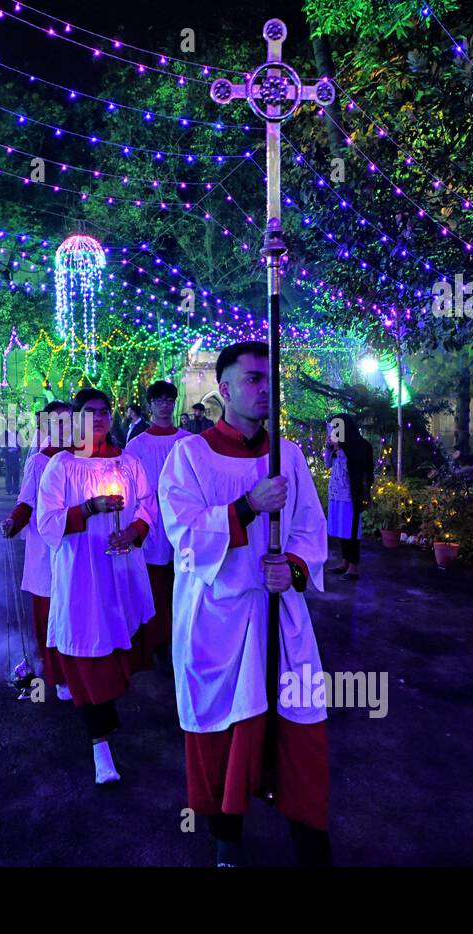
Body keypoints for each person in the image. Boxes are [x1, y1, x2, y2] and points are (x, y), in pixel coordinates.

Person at [159, 341, 331, 868]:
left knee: (296, 727)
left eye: (269, 380)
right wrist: (247, 506)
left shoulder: (289, 455)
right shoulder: (189, 455)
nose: (264, 390)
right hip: (218, 620)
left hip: (280, 614)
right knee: (226, 736)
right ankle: (226, 842)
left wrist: (295, 566)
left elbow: (308, 530)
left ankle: (311, 845)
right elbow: (184, 539)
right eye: (253, 379)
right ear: (225, 389)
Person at [36, 388, 156, 786]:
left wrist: (136, 531)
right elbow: (47, 522)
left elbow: (149, 503)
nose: (99, 418)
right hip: (81, 575)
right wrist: (89, 508)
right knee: (88, 653)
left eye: (105, 412)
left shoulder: (128, 461)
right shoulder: (61, 466)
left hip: (120, 572)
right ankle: (99, 745)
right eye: (90, 413)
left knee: (116, 649)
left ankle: (105, 721)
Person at [1, 400, 73, 696]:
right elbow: (26, 501)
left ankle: (82, 669)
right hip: (46, 546)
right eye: (55, 421)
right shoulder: (38, 461)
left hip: (78, 544)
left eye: (68, 421)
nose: (62, 426)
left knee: (77, 610)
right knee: (49, 613)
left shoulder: (86, 459)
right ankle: (58, 676)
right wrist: (13, 522)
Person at [125, 381, 188, 673]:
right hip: (151, 523)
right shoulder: (137, 446)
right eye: (159, 400)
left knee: (184, 587)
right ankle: (156, 644)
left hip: (185, 523)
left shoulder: (189, 442)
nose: (165, 405)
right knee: (154, 587)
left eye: (169, 400)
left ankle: (183, 642)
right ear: (150, 404)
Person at [325, 413, 374, 581]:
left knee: (352, 530)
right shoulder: (338, 446)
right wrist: (329, 449)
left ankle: (354, 567)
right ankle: (345, 561)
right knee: (341, 528)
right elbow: (327, 465)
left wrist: (340, 450)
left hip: (351, 494)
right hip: (337, 493)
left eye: (335, 428)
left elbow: (352, 470)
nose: (332, 432)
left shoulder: (359, 446)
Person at [3, 418, 22, 496]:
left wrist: (19, 453)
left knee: (16, 473)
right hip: (8, 456)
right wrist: (6, 450)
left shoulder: (17, 433)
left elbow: (21, 444)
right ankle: (8, 489)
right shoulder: (5, 433)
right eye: (10, 423)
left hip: (16, 456)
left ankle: (16, 489)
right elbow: (0, 444)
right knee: (8, 474)